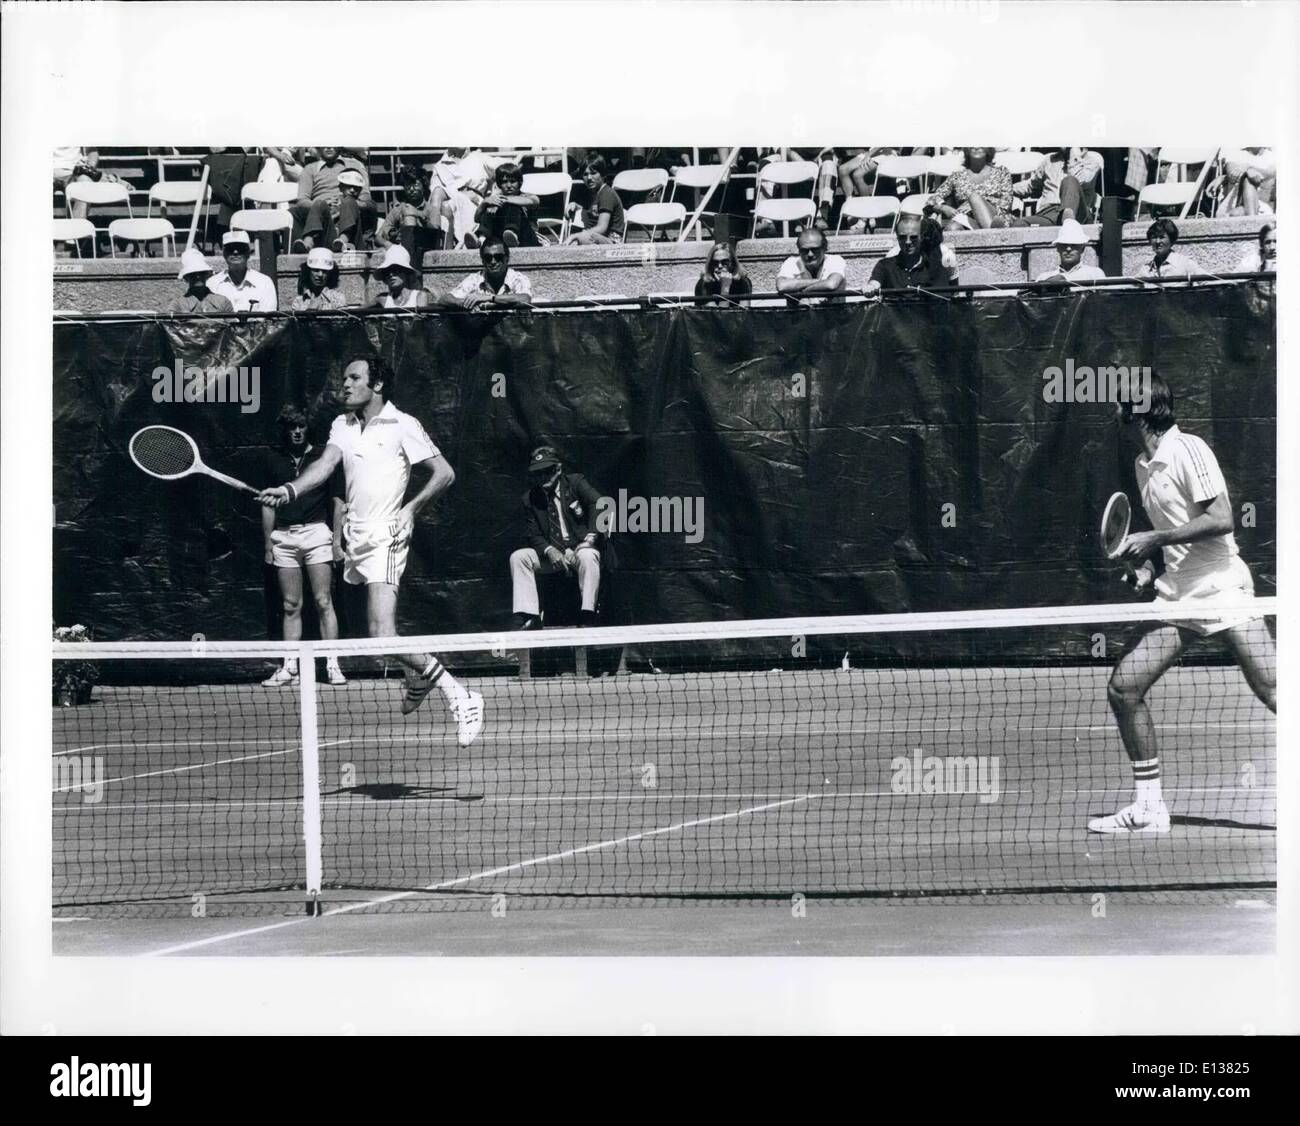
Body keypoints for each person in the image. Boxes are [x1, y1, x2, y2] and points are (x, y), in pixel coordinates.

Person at [256, 355, 484, 744]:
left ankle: (460, 695)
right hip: (356, 537)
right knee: (376, 634)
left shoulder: (403, 424)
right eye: (344, 377)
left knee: (381, 634)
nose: (345, 384)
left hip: (386, 535)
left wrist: (411, 509)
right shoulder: (340, 425)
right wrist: (289, 490)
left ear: (376, 385)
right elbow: (324, 466)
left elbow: (444, 473)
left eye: (354, 377)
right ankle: (417, 676)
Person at [1090, 374, 1275, 834]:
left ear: (1137, 410)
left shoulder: (1189, 449)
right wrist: (1149, 571)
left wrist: (1157, 538)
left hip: (1223, 589)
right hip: (1178, 597)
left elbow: (1222, 518)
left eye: (1120, 403)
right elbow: (1174, 541)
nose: (1114, 411)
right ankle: (1149, 808)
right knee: (1124, 689)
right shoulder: (1142, 465)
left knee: (1276, 692)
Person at [260, 405, 347, 688]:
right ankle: (289, 668)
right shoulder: (272, 459)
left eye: (301, 427)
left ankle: (332, 665)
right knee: (290, 605)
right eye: (291, 427)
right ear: (285, 430)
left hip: (317, 535)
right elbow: (268, 505)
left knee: (323, 601)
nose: (297, 432)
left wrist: (336, 541)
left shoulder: (323, 458)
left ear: (308, 428)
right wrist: (269, 544)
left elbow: (338, 501)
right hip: (284, 538)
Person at [510, 446, 605, 630]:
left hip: (578, 550)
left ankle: (588, 615)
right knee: (519, 557)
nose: (543, 477)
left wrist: (590, 537)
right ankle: (529, 616)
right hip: (552, 557)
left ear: (558, 469)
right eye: (538, 473)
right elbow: (533, 534)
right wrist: (549, 550)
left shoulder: (575, 482)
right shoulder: (530, 498)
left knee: (588, 556)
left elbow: (599, 503)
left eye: (547, 471)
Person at [291, 147, 375, 253]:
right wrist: (323, 205)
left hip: (348, 212)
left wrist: (344, 203)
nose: (328, 147)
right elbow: (302, 200)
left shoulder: (354, 165)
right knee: (313, 205)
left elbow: (365, 197)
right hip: (321, 216)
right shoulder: (309, 169)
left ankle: (343, 240)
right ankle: (307, 244)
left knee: (349, 201)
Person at [1011, 146, 1105, 226]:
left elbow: (1080, 180)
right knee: (1019, 224)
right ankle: (1067, 225)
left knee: (1069, 181)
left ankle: (1068, 223)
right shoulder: (1049, 160)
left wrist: (1074, 157)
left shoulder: (1092, 161)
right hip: (1049, 214)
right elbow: (1031, 186)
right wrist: (1007, 187)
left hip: (1078, 214)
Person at [925, 147, 1014, 230]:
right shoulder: (957, 176)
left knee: (974, 197)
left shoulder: (1001, 172)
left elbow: (1006, 203)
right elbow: (932, 200)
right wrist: (943, 207)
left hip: (996, 218)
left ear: (989, 149)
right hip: (966, 219)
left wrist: (977, 207)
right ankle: (991, 234)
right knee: (953, 228)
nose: (976, 147)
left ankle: (993, 234)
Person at [375, 167, 444, 265]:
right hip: (402, 251)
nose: (411, 189)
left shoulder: (431, 210)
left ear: (423, 186)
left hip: (426, 249)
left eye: (415, 185)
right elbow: (379, 237)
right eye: (408, 185)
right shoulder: (398, 209)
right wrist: (388, 244)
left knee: (409, 216)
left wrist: (417, 215)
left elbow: (436, 232)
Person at [440, 237, 532, 310]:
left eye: (498, 257)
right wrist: (463, 303)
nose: (493, 262)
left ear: (507, 259)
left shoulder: (517, 278)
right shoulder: (475, 279)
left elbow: (525, 299)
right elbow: (444, 299)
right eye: (488, 258)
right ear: (483, 261)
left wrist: (489, 298)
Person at [866, 214, 951, 292]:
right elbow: (875, 282)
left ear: (921, 237)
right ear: (897, 238)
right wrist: (870, 287)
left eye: (913, 237)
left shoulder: (935, 266)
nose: (908, 242)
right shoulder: (885, 265)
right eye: (902, 237)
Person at [475, 162, 542, 248]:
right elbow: (476, 219)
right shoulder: (495, 200)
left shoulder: (527, 196)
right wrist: (484, 203)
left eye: (513, 181)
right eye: (504, 182)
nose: (509, 185)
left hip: (527, 238)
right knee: (489, 209)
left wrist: (503, 200)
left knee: (512, 206)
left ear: (520, 182)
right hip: (501, 237)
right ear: (499, 184)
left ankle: (512, 234)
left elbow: (534, 201)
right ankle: (481, 239)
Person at [208, 230, 279, 311]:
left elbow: (268, 315)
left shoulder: (264, 283)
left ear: (248, 253)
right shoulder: (212, 284)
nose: (235, 252)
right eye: (230, 249)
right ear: (224, 254)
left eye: (240, 248)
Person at [566, 156, 626, 245]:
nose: (589, 178)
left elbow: (602, 227)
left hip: (612, 241)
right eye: (585, 174)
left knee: (580, 239)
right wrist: (575, 205)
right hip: (597, 237)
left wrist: (576, 236)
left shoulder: (606, 194)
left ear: (603, 174)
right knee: (576, 241)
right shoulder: (592, 194)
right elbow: (591, 211)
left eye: (593, 173)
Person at [775, 227, 847, 301]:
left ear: (824, 248)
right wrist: (819, 282)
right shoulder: (791, 262)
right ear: (799, 251)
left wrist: (803, 292)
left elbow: (831, 284)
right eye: (804, 250)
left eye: (815, 250)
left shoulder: (835, 260)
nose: (810, 254)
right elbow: (781, 286)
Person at [1033, 218, 1107, 283]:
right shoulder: (1043, 277)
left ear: (1082, 249)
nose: (1068, 249)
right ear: (1057, 248)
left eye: (1073, 245)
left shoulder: (1094, 275)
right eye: (1064, 245)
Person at [166, 248, 236, 314]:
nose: (198, 276)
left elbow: (231, 322)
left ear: (207, 275)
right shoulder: (178, 305)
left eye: (201, 273)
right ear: (186, 277)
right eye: (193, 274)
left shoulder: (223, 302)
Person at [370, 245, 431, 309]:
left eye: (396, 270)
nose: (391, 274)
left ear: (406, 272)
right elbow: (362, 309)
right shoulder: (383, 299)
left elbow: (422, 315)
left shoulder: (419, 296)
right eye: (387, 271)